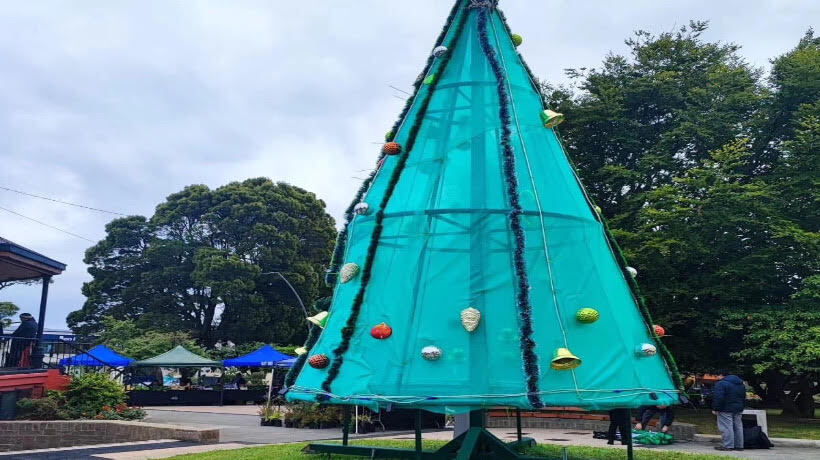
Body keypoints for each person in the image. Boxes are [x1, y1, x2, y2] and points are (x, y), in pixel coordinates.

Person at [712, 370, 746, 451]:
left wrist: (715, 408)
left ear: (720, 375)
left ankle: (728, 445)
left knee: (726, 427)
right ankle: (739, 445)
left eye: (716, 376)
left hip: (725, 408)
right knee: (738, 426)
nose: (716, 378)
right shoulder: (741, 384)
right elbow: (743, 396)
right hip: (738, 408)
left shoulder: (721, 383)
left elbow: (719, 397)